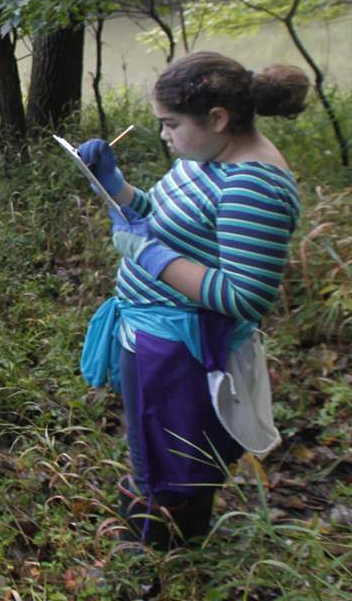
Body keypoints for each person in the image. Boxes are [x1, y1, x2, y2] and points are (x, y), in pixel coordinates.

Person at [77, 51, 308, 551]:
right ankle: (164, 537)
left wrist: (148, 255)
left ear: (218, 119)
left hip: (184, 352)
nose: (164, 135)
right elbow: (156, 214)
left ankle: (165, 554)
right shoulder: (207, 157)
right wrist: (113, 184)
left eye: (170, 123)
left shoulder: (252, 186)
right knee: (156, 446)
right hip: (154, 337)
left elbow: (246, 296)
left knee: (169, 457)